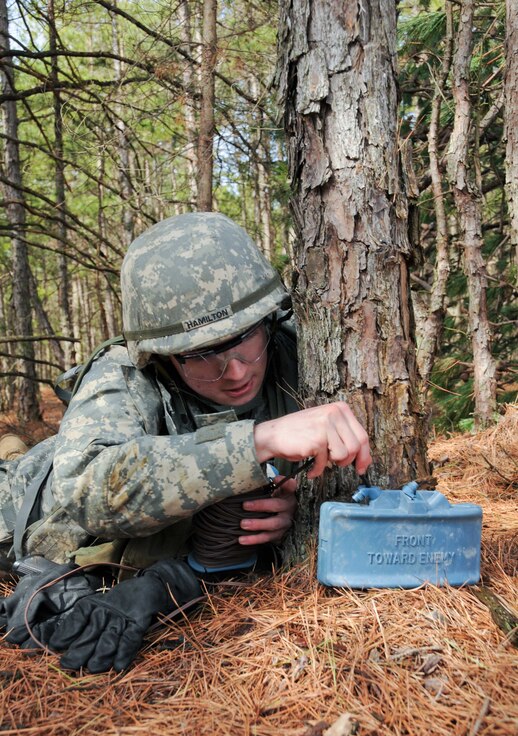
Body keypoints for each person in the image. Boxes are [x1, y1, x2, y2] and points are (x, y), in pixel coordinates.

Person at [0, 212, 371, 672]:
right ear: (163, 354)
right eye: (200, 354)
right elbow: (88, 487)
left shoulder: (303, 351)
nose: (235, 371)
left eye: (243, 338)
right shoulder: (125, 374)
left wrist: (292, 516)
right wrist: (257, 442)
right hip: (23, 502)